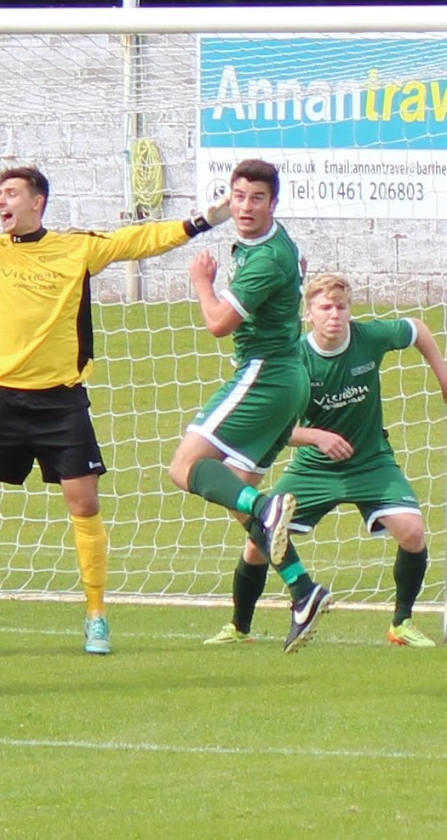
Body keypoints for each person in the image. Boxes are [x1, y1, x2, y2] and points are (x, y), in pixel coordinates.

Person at [0, 131, 233, 655]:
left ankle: (96, 614)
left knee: (84, 501)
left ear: (37, 201)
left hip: (61, 400)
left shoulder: (77, 249)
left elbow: (139, 240)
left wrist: (203, 219)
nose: (1, 201)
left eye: (10, 193)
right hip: (1, 396)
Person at [204, 272, 447, 647]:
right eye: (325, 307)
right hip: (314, 468)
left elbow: (417, 330)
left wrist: (445, 381)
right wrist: (315, 436)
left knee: (412, 531)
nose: (334, 314)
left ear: (350, 310)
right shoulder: (293, 358)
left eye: (341, 306)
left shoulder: (370, 338)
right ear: (310, 314)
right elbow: (273, 426)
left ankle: (402, 624)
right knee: (259, 538)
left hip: (371, 462)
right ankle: (238, 628)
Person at [166, 159, 332, 654]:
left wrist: (201, 281)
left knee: (185, 467)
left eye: (256, 198)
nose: (245, 206)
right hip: (286, 377)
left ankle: (269, 505)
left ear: (273, 203)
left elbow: (219, 323)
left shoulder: (265, 260)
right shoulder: (272, 241)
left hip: (267, 373)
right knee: (235, 499)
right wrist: (212, 216)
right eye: (238, 196)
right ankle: (303, 590)